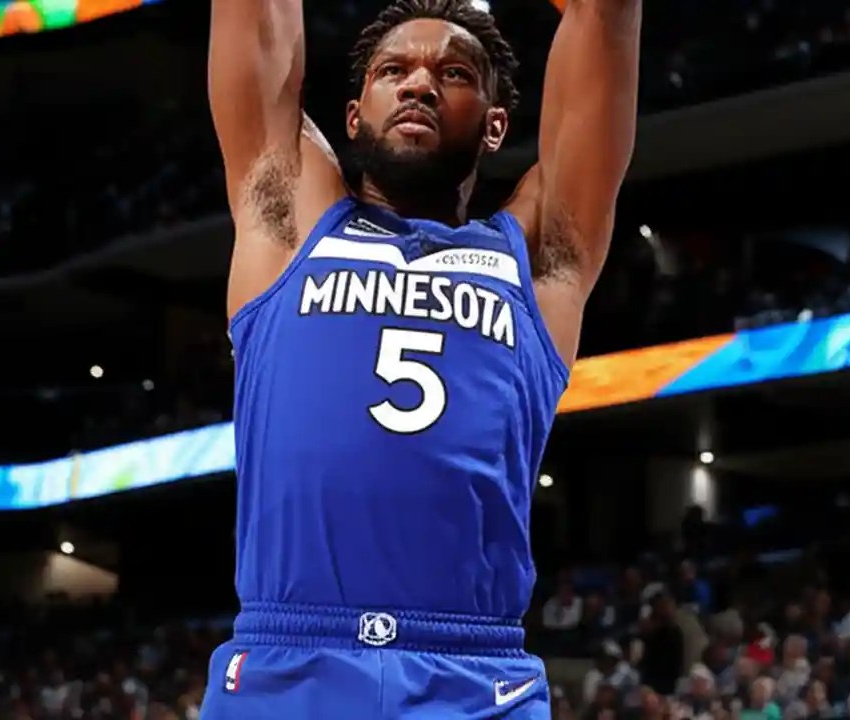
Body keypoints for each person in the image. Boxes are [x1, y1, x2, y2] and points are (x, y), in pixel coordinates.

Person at [202, 0, 640, 716]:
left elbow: (605, 16)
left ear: (495, 125)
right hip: (291, 660)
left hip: (474, 673)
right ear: (353, 116)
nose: (419, 84)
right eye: (393, 70)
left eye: (455, 73)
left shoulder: (538, 256)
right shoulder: (288, 223)